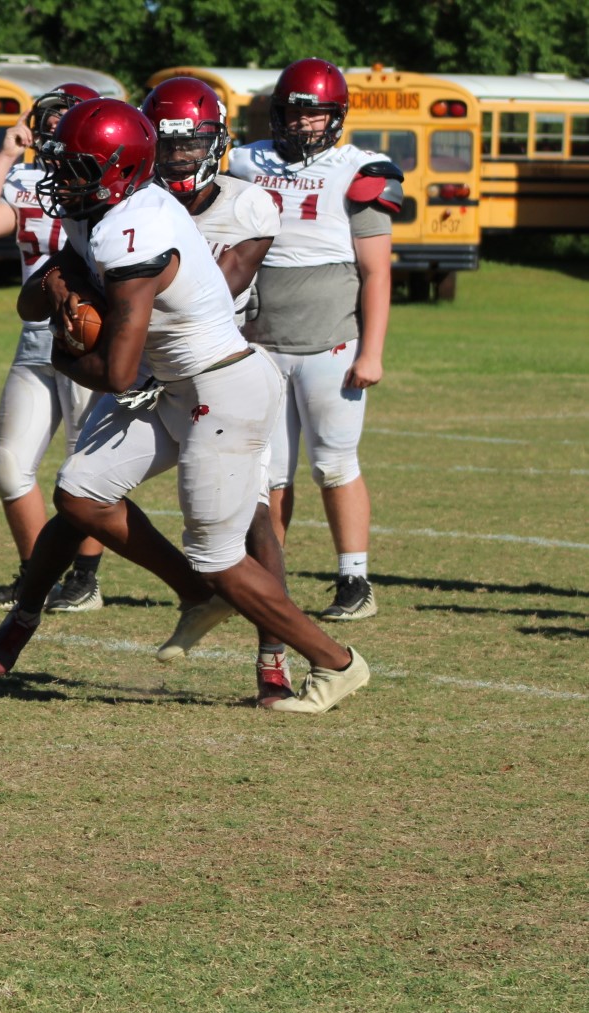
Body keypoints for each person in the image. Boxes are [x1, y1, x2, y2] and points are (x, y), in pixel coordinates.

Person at [0, 100, 370, 715]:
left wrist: (57, 351)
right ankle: (197, 595)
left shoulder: (134, 230)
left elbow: (114, 373)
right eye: (61, 164)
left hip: (220, 388)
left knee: (220, 553)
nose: (61, 178)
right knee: (81, 494)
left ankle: (336, 662)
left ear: (117, 169)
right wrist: (56, 284)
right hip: (171, 382)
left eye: (77, 167)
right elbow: (31, 301)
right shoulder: (103, 208)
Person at [228, 59, 402, 622]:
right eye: (295, 112)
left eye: (316, 113)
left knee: (334, 463)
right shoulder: (244, 161)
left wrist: (372, 351)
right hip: (261, 343)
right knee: (269, 472)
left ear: (337, 116)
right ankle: (267, 580)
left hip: (331, 342)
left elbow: (376, 272)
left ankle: (354, 579)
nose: (304, 123)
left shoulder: (358, 168)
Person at [142, 76, 294, 707]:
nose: (179, 156)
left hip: (219, 373)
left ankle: (274, 657)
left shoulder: (248, 204)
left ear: (217, 142)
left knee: (254, 519)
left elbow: (217, 290)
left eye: (191, 143)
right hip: (144, 370)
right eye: (167, 144)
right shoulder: (137, 203)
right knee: (80, 495)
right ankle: (28, 612)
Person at [0, 83, 111, 614]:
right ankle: (37, 576)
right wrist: (5, 156)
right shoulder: (27, 180)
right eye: (48, 118)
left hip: (90, 335)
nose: (52, 127)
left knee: (84, 465)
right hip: (35, 337)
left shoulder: (108, 184)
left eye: (65, 118)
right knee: (9, 463)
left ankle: (85, 580)